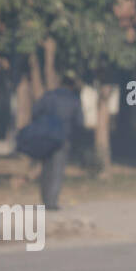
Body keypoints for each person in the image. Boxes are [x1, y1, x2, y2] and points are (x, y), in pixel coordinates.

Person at [32, 72, 84, 211]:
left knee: (46, 168)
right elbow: (79, 122)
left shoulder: (48, 96)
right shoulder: (74, 100)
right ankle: (51, 202)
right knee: (57, 170)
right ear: (72, 86)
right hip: (63, 138)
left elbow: (35, 112)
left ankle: (45, 198)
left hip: (45, 137)